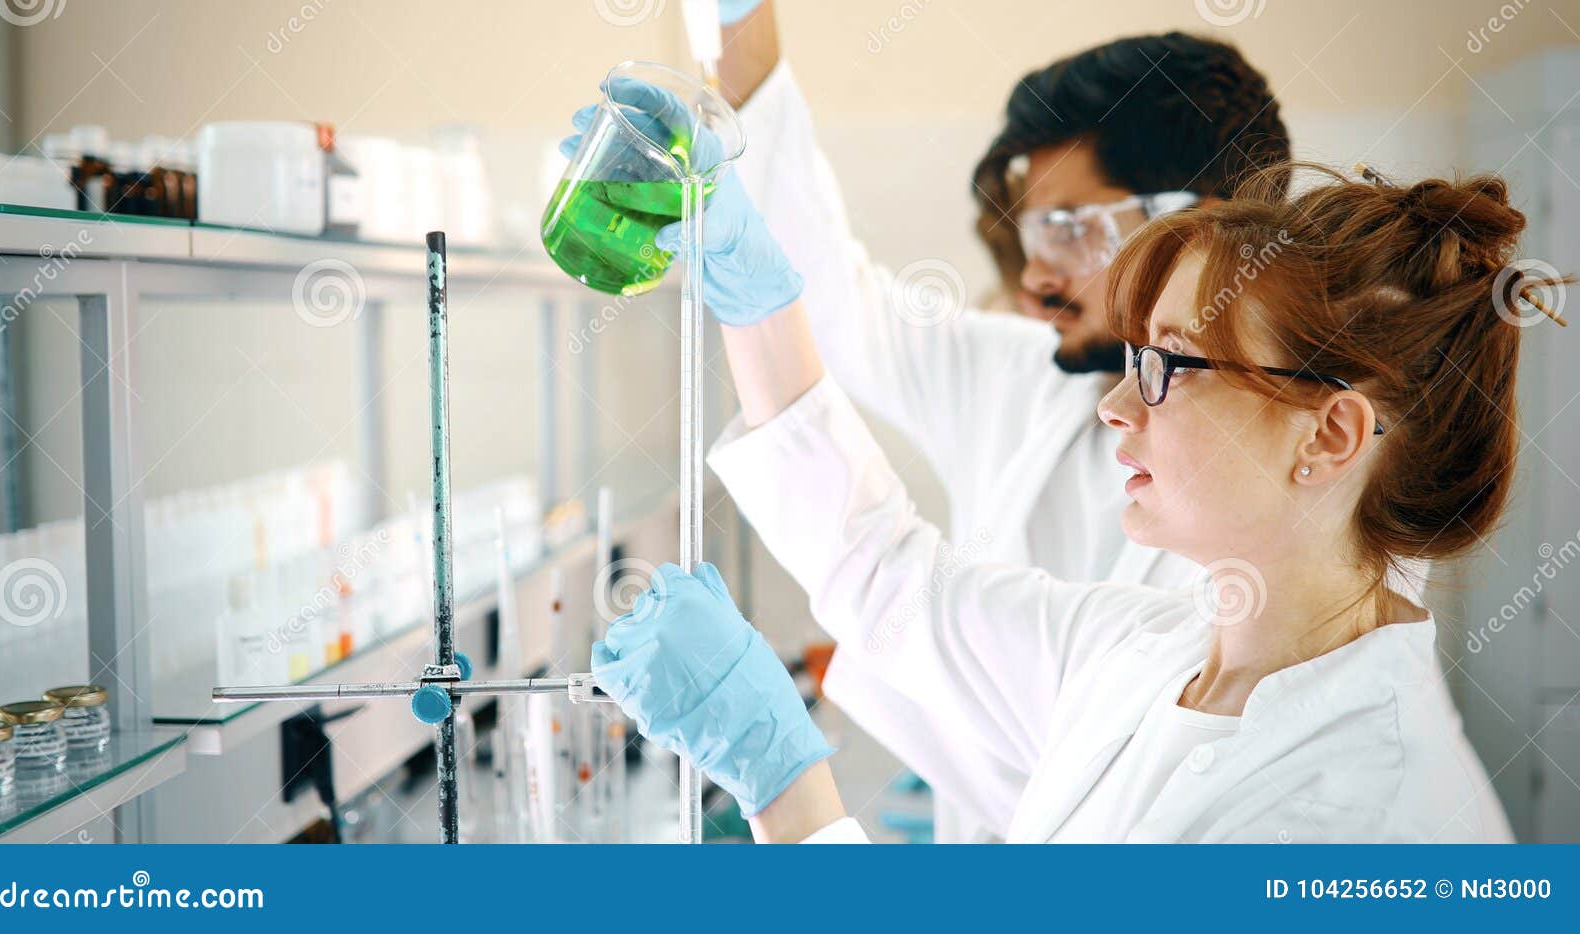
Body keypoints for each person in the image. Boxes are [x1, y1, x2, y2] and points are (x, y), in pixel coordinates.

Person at [591, 159, 1556, 841]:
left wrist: (792, 797)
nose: (1115, 404)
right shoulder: (1155, 653)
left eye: (1169, 366)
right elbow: (889, 579)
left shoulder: (1354, 821)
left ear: (1331, 436)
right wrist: (753, 300)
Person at [709, 3, 1292, 840]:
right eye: (1032, 229)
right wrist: (736, 27)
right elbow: (833, 303)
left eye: (1070, 228)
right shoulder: (1024, 372)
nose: (1034, 278)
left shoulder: (1290, 484)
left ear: (1194, 221)